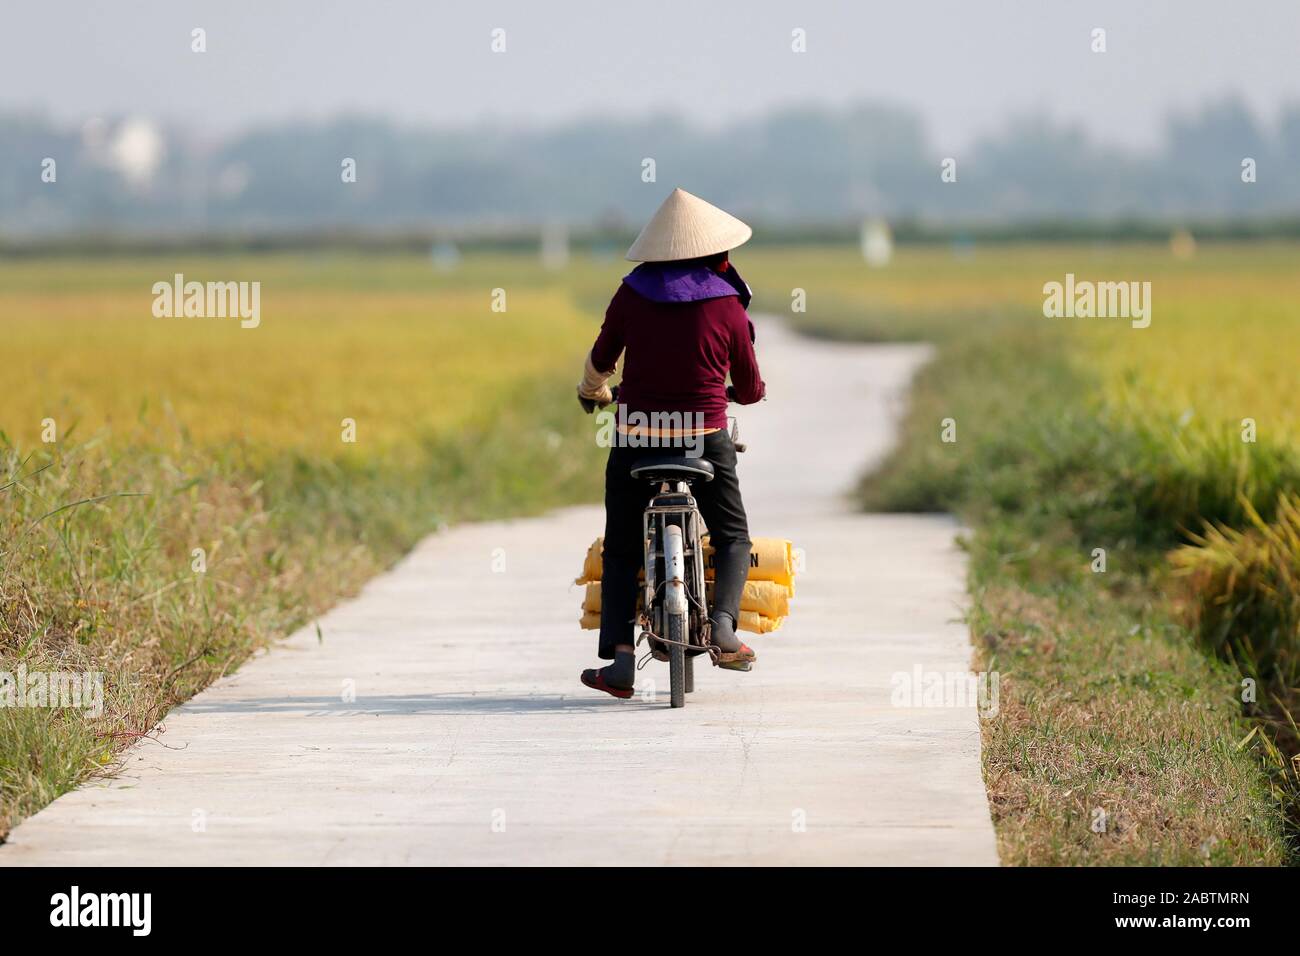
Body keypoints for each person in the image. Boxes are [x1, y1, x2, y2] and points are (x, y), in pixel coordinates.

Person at [577, 188, 766, 699]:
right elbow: (749, 388)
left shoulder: (632, 293)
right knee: (732, 536)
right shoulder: (727, 302)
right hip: (705, 436)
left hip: (637, 432)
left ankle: (619, 660)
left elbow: (601, 358)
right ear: (715, 253)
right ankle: (724, 628)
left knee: (619, 547)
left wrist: (592, 392)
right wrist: (740, 394)